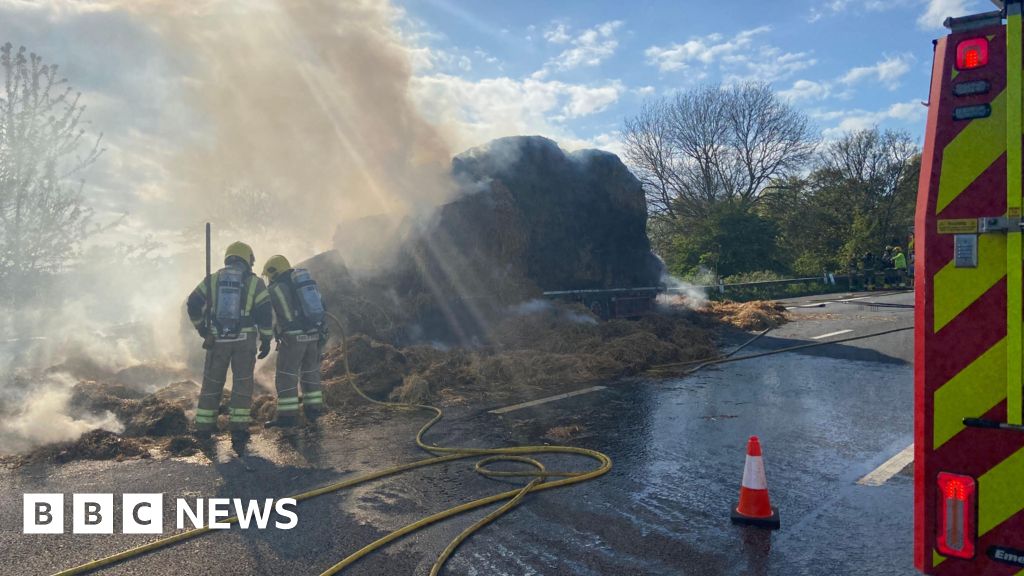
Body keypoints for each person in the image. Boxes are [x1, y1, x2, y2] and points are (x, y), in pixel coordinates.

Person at [186, 241, 273, 454]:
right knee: (242, 385)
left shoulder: (213, 279)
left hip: (218, 341)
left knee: (212, 384)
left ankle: (205, 428)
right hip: (245, 341)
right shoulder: (255, 283)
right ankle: (238, 430)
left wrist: (202, 329)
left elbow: (193, 303)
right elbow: (264, 313)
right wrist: (267, 339)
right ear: (248, 259)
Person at [261, 255, 327, 429]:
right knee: (310, 372)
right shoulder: (304, 284)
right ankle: (314, 410)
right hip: (313, 334)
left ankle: (288, 417)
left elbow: (270, 315)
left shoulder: (276, 289)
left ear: (274, 271)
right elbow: (322, 305)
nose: (269, 279)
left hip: (293, 337)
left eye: (269, 274)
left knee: (286, 376)